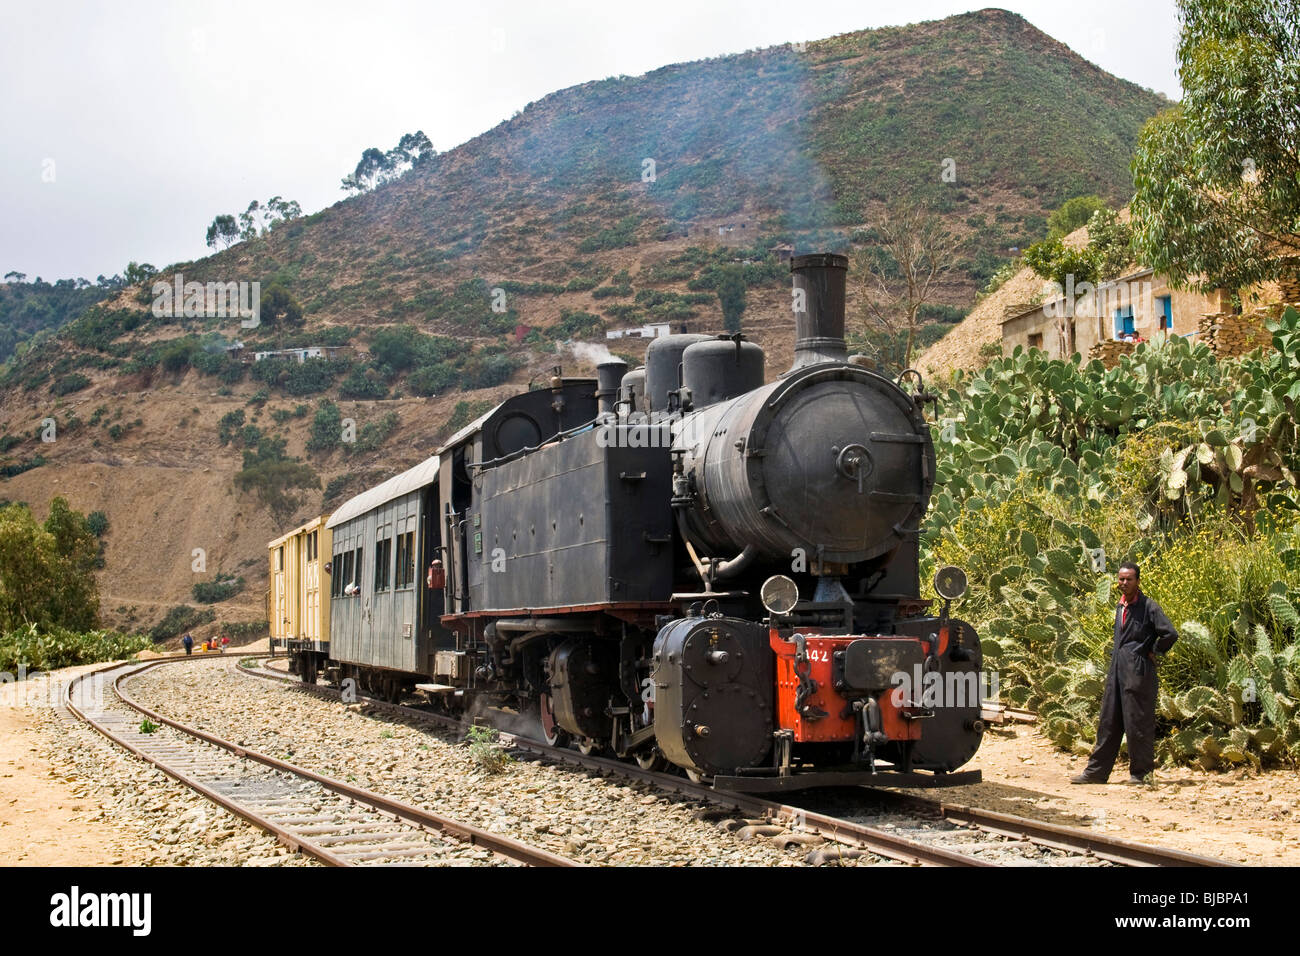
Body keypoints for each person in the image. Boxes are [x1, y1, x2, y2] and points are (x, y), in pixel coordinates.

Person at [1072, 562, 1178, 785]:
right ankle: (1096, 773)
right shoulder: (1121, 606)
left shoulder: (1149, 606)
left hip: (1138, 673)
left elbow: (1170, 634)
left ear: (1138, 581)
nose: (1124, 583)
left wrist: (1153, 650)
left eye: (1129, 579)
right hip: (1117, 670)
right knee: (1109, 722)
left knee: (1137, 723)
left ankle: (1141, 774)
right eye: (1121, 579)